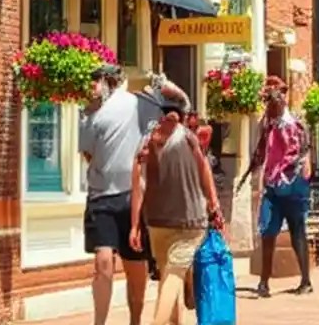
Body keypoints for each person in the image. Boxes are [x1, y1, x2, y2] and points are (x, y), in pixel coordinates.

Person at [129, 81, 221, 325]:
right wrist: (214, 205)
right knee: (173, 276)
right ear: (182, 115)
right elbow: (205, 173)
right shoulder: (190, 139)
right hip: (191, 223)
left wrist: (135, 224)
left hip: (157, 222)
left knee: (169, 275)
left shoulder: (146, 143)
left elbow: (139, 185)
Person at [78, 65, 162, 325]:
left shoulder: (139, 104)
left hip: (132, 198)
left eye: (97, 80)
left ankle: (135, 320)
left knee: (135, 270)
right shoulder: (89, 113)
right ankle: (99, 322)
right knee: (103, 263)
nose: (93, 87)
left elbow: (170, 111)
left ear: (108, 81)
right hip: (100, 197)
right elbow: (87, 153)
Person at [252, 76, 313, 297]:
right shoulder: (266, 124)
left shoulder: (295, 123)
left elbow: (305, 153)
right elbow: (262, 153)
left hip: (293, 181)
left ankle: (306, 280)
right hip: (272, 185)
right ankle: (264, 281)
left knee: (297, 230)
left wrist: (302, 174)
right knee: (268, 231)